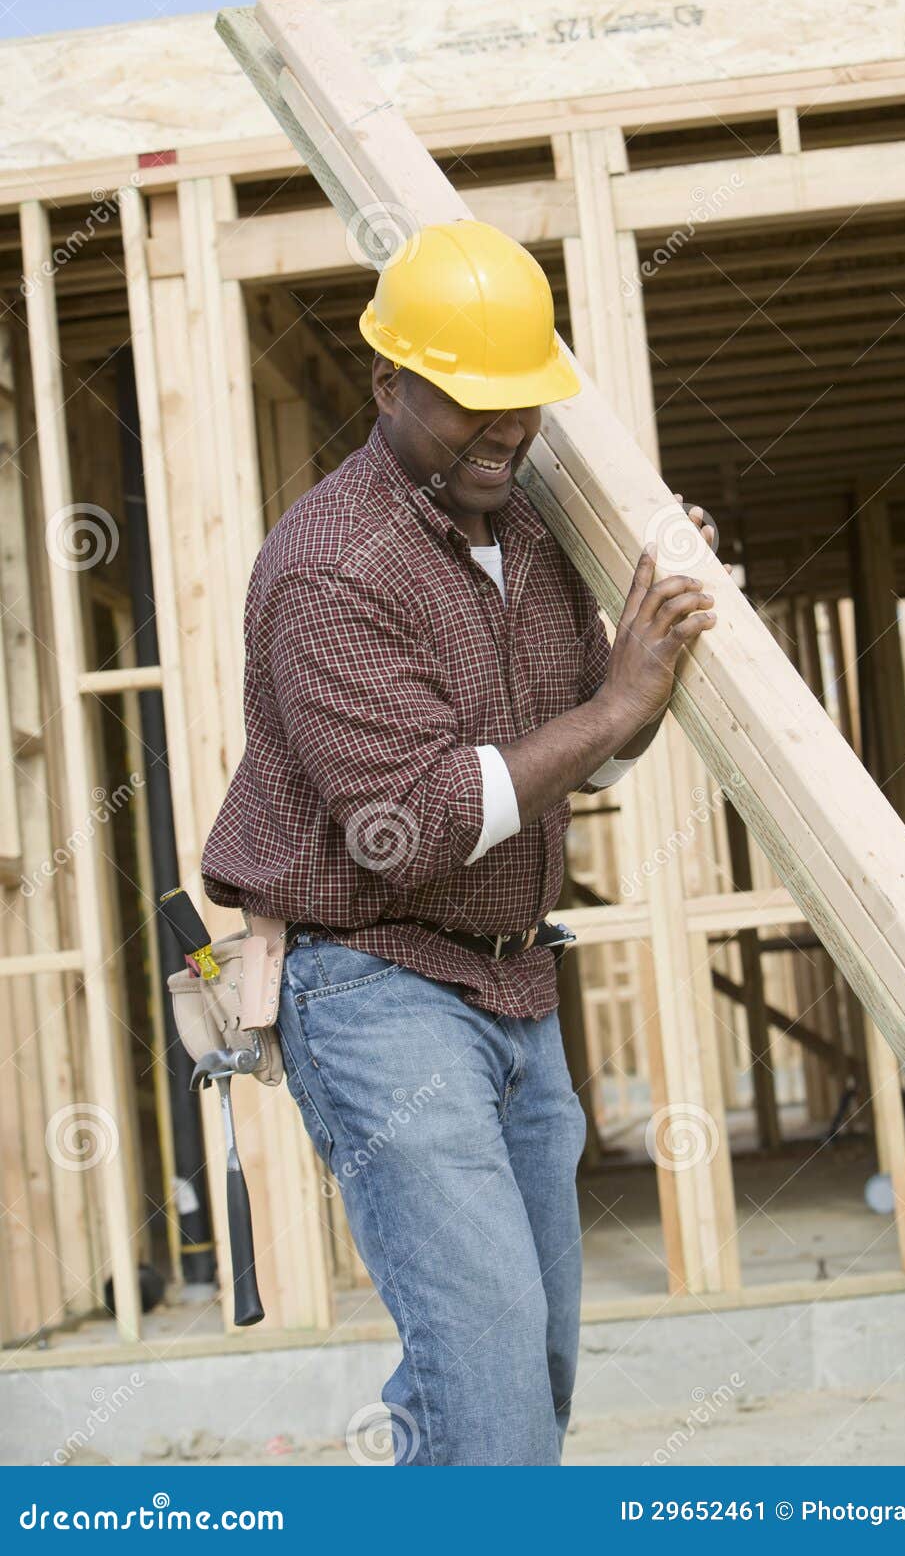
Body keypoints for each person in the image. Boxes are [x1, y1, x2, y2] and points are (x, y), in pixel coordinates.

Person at [202, 219, 718, 1466]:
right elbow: (416, 826)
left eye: (523, 403)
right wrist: (612, 703)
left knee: (525, 1374)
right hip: (373, 983)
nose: (503, 431)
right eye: (468, 403)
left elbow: (585, 750)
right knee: (484, 1377)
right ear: (387, 384)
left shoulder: (534, 531)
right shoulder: (326, 567)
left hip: (514, 980)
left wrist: (647, 661)